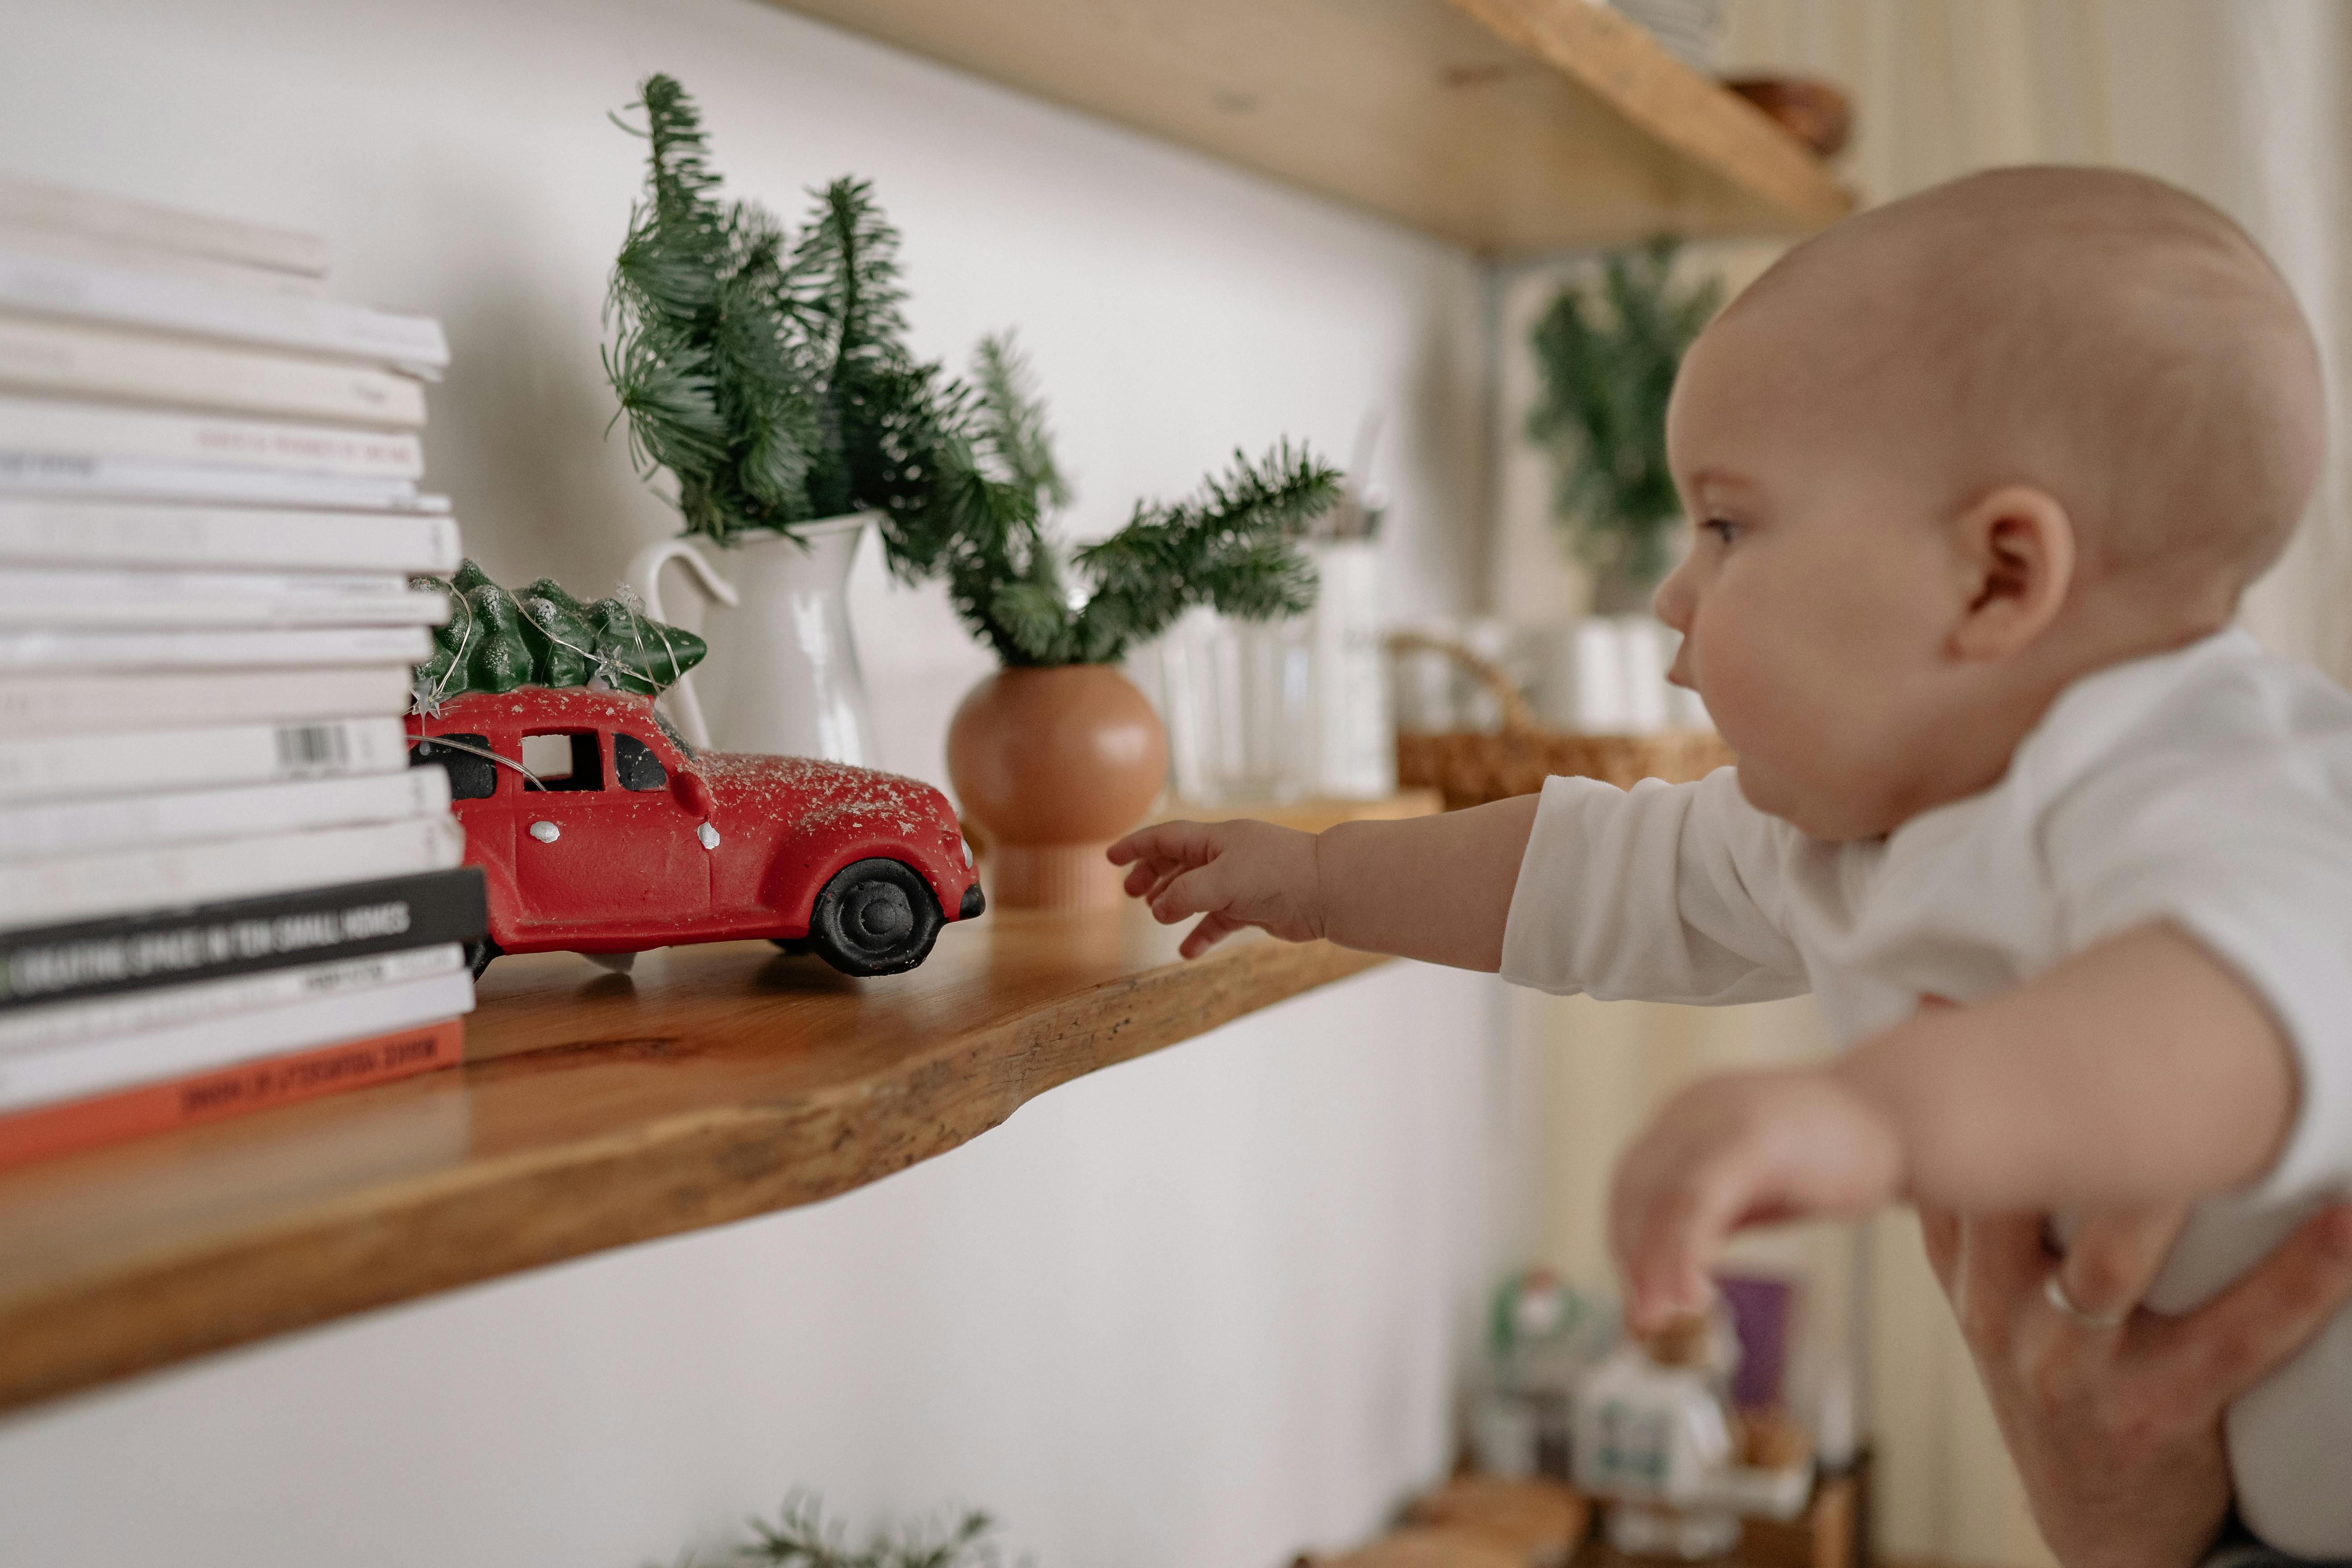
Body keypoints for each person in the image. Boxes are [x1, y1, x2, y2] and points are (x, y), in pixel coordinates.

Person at [1107, 167, 2352, 1559]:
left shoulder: (2203, 774)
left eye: (1729, 525)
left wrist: (1870, 1119)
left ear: (1998, 578)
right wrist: (1328, 878)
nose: (1672, 589)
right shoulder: (1855, 829)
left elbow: (2233, 1019)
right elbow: (1590, 872)